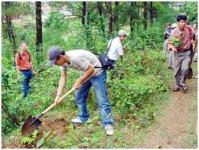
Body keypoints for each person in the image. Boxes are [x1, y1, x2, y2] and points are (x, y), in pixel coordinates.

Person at [48, 47, 114, 135]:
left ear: (61, 57)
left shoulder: (75, 58)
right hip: (87, 72)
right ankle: (84, 118)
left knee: (102, 99)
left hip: (97, 72)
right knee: (79, 95)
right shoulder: (63, 63)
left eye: (55, 62)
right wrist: (58, 96)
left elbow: (91, 69)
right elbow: (63, 77)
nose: (55, 64)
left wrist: (79, 81)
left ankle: (108, 124)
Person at [168, 14, 195, 93]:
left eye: (185, 22)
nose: (184, 23)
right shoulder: (174, 31)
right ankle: (177, 85)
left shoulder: (189, 29)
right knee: (176, 71)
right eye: (182, 22)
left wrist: (193, 43)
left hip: (187, 53)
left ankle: (182, 83)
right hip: (178, 54)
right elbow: (170, 43)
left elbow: (193, 36)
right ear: (177, 22)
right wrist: (173, 47)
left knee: (185, 69)